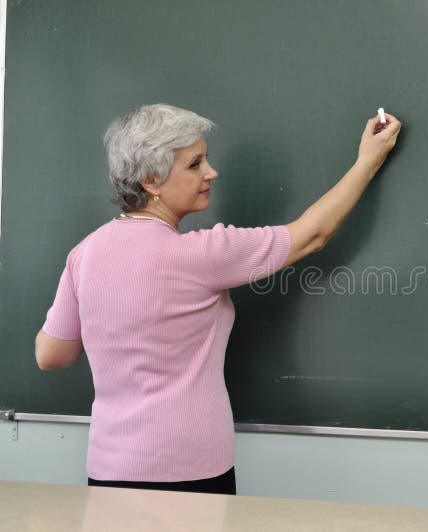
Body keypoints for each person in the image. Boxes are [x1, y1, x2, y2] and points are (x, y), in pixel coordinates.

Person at [33, 103, 401, 495]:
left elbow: (50, 355)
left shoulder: (84, 254)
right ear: (151, 180)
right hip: (192, 471)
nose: (211, 172)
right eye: (194, 164)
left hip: (109, 471)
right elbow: (313, 235)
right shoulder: (201, 255)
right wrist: (368, 160)